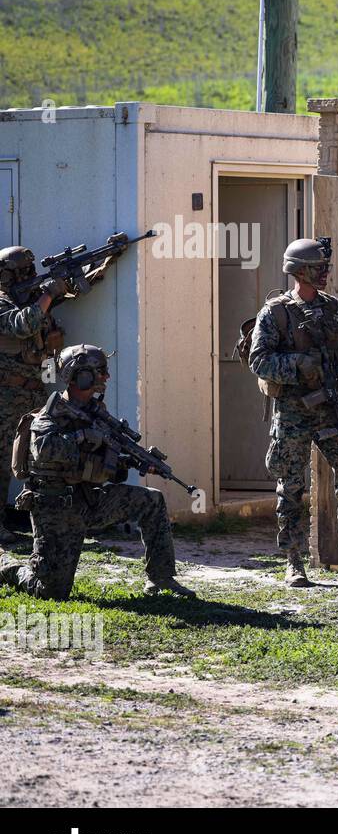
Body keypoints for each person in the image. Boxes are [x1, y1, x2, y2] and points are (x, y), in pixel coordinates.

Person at [247, 237, 338, 588]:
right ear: (299, 271)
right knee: (291, 486)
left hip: (332, 409)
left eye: (325, 267)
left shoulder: (332, 310)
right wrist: (300, 364)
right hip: (294, 412)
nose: (325, 272)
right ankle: (294, 562)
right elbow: (259, 361)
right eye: (318, 267)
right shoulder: (276, 312)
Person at [0, 345, 194, 600]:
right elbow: (44, 450)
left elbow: (103, 465)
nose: (106, 377)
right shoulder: (50, 413)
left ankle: (161, 579)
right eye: (100, 371)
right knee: (50, 591)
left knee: (152, 500)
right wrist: (83, 436)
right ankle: (6, 566)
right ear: (79, 374)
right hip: (57, 509)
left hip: (91, 500)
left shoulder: (96, 413)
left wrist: (130, 462)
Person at [0, 245, 74, 546]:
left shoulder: (34, 302)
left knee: (37, 461)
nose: (30, 276)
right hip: (6, 396)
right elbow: (22, 325)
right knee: (3, 461)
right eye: (24, 272)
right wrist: (47, 293)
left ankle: (38, 522)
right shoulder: (5, 302)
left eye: (31, 271)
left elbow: (46, 350)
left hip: (33, 396)